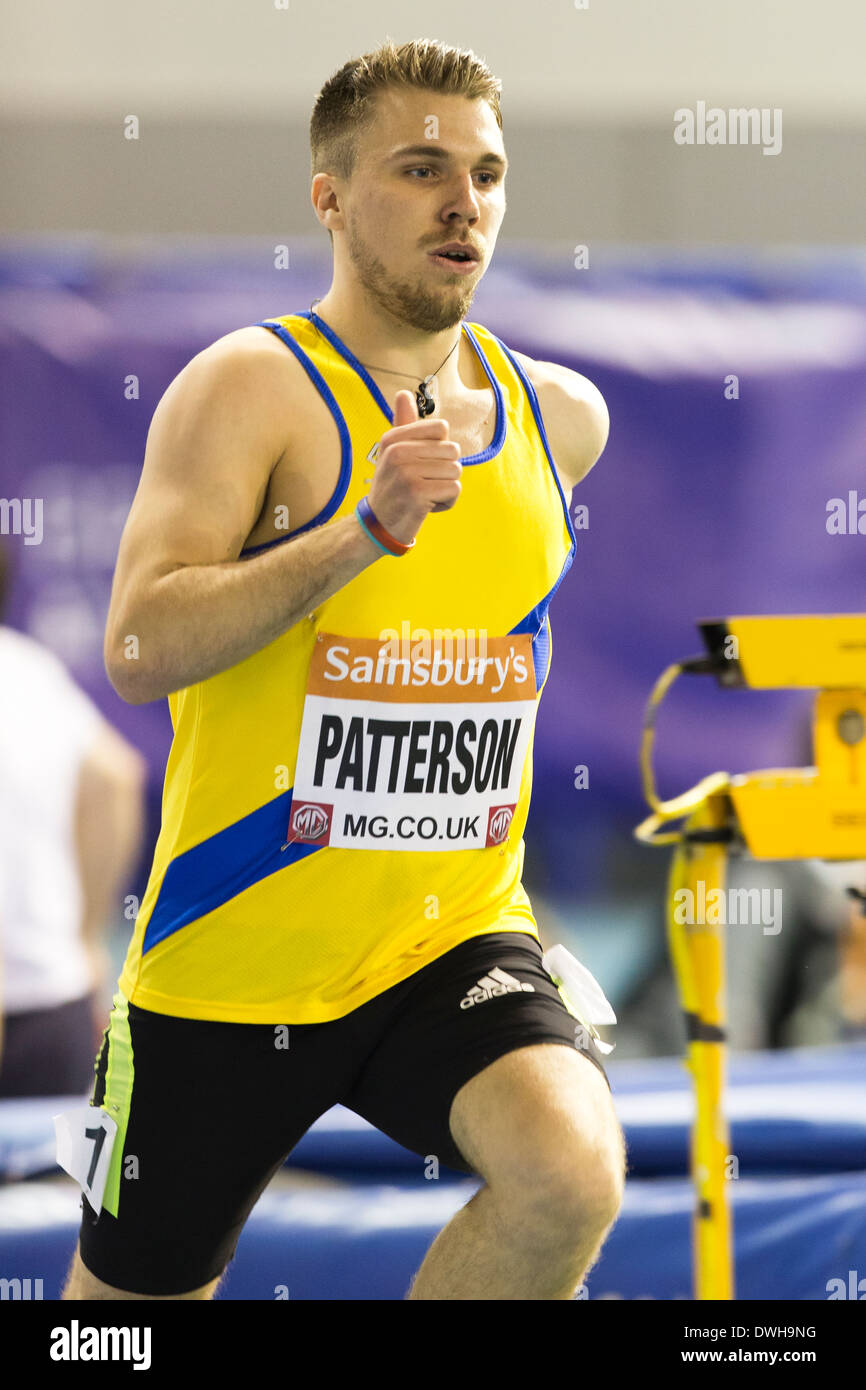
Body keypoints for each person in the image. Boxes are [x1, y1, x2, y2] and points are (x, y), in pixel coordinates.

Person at [62, 38, 624, 1302]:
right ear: (328, 195)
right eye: (421, 168)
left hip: (449, 939)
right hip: (232, 956)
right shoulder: (250, 387)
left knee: (568, 1174)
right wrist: (356, 533)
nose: (460, 202)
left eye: (483, 173)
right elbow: (140, 647)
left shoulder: (559, 418)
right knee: (120, 1326)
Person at [0, 540, 146, 1097]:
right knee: (57, 1182)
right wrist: (84, 939)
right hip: (51, 1004)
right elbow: (117, 777)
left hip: (40, 999)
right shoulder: (30, 669)